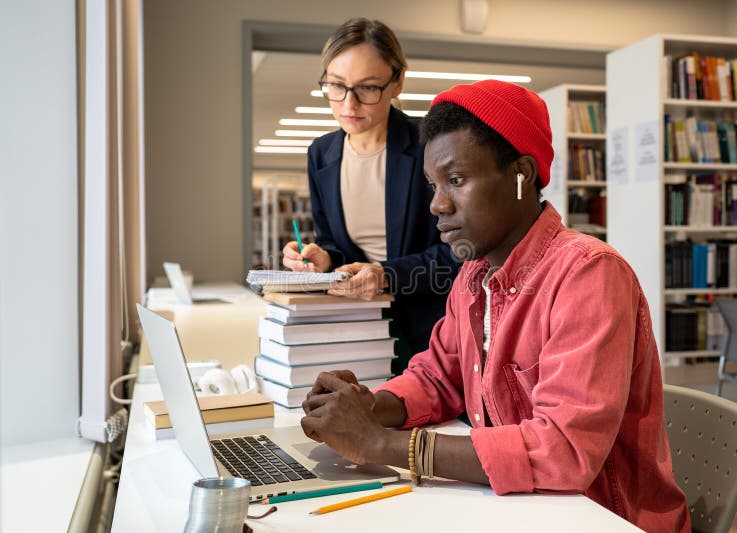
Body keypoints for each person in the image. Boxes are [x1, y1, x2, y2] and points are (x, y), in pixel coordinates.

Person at [299, 80, 691, 533]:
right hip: (524, 511)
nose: (436, 204)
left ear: (522, 174)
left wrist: (382, 445)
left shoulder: (589, 274)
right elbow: (437, 376)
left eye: (456, 180)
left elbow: (563, 450)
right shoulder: (474, 272)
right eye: (432, 184)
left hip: (604, 517)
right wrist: (366, 408)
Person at [282, 18, 458, 371]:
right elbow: (335, 243)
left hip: (434, 331)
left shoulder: (431, 144)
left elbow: (459, 253)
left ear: (397, 82)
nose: (349, 103)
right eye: (336, 86)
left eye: (367, 88)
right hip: (356, 329)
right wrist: (324, 259)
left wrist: (386, 274)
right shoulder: (321, 154)